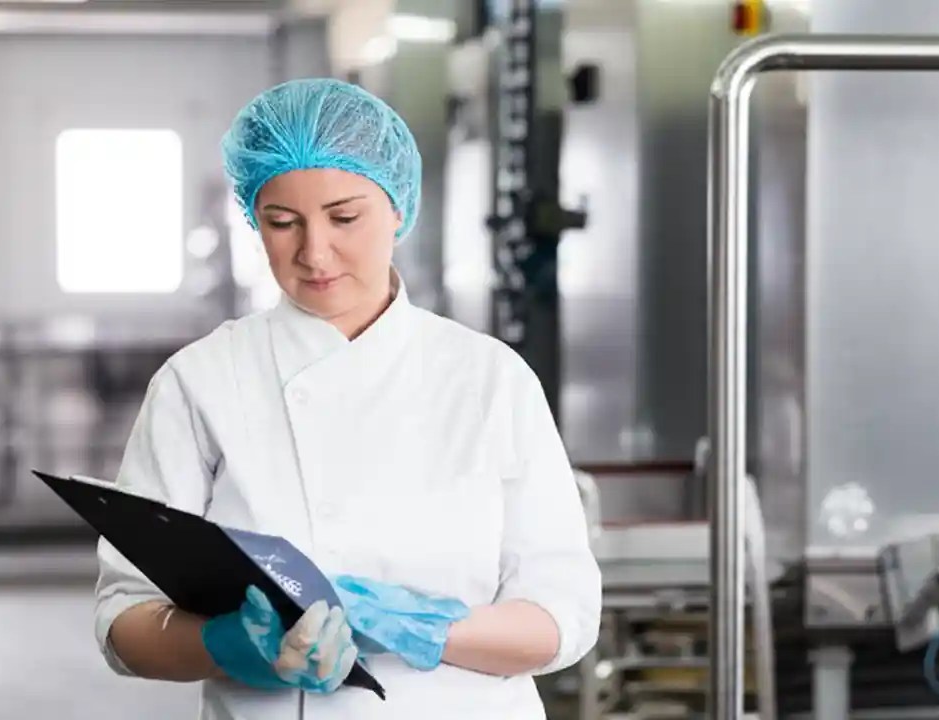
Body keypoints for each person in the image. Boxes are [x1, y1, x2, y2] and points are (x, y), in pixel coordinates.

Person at [93, 77, 601, 720]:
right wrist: (229, 645)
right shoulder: (201, 381)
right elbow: (123, 619)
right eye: (282, 223)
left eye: (344, 217)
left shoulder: (490, 378)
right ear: (254, 220)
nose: (315, 252)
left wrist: (436, 632)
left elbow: (564, 614)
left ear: (398, 208)